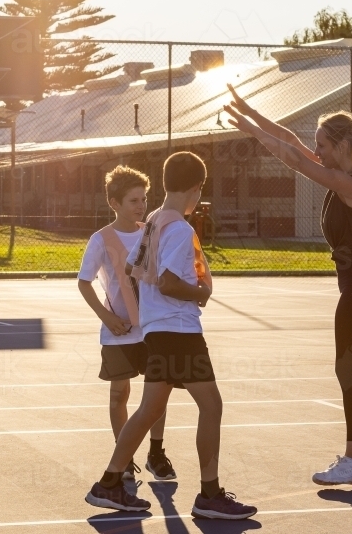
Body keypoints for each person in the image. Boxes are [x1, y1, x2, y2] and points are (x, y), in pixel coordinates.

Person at [223, 84, 352, 487]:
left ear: (340, 146)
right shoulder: (344, 177)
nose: (316, 150)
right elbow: (291, 141)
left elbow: (295, 158)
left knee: (349, 368)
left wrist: (252, 133)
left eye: (322, 145)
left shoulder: (351, 185)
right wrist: (254, 115)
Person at [85, 151, 257, 520]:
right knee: (212, 406)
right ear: (196, 188)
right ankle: (209, 494)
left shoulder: (151, 221)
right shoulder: (179, 227)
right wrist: (201, 293)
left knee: (150, 409)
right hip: (178, 329)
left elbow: (135, 268)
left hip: (157, 329)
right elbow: (167, 281)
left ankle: (110, 483)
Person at [77, 165, 176, 485]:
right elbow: (84, 283)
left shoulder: (152, 233)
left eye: (144, 199)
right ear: (114, 203)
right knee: (119, 395)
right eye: (133, 200)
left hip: (153, 328)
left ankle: (156, 454)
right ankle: (126, 457)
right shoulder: (101, 239)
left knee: (156, 396)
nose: (141, 205)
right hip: (118, 331)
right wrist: (106, 317)